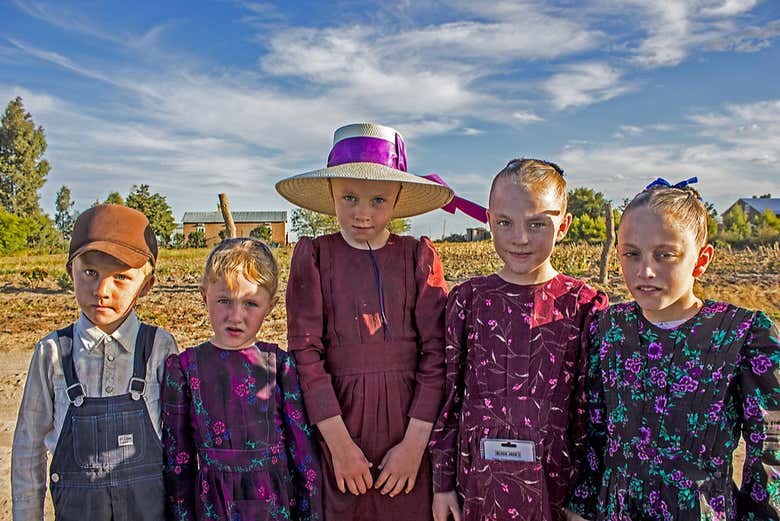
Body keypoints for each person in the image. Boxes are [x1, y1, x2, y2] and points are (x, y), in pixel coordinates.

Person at [568, 178, 780, 520]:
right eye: (631, 254)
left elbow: (770, 446)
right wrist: (583, 505)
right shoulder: (607, 328)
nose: (645, 270)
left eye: (664, 255)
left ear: (701, 259)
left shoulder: (742, 335)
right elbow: (594, 431)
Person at [277, 122, 454, 520]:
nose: (362, 213)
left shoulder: (417, 257)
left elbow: (437, 356)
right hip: (339, 428)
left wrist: (413, 447)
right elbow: (305, 355)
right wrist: (339, 446)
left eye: (378, 200)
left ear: (397, 197)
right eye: (350, 197)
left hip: (409, 433)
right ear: (331, 194)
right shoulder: (316, 257)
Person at [429, 159, 609, 521]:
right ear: (489, 221)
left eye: (537, 224)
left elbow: (595, 411)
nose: (520, 238)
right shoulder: (468, 300)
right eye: (505, 223)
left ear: (564, 225)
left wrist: (585, 499)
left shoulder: (584, 305)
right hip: (478, 486)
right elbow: (450, 398)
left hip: (556, 488)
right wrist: (442, 483)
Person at [11, 204, 179, 520]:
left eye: (121, 278)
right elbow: (28, 449)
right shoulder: (51, 353)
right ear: (70, 271)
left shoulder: (160, 348)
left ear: (146, 285)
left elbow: (181, 446)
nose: (102, 290)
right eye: (90, 273)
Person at [161, 237, 322, 521]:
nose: (235, 316)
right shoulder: (184, 370)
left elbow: (304, 457)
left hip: (273, 506)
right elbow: (178, 462)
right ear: (204, 296)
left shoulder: (280, 367)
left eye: (250, 303)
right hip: (212, 507)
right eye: (224, 300)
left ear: (270, 306)